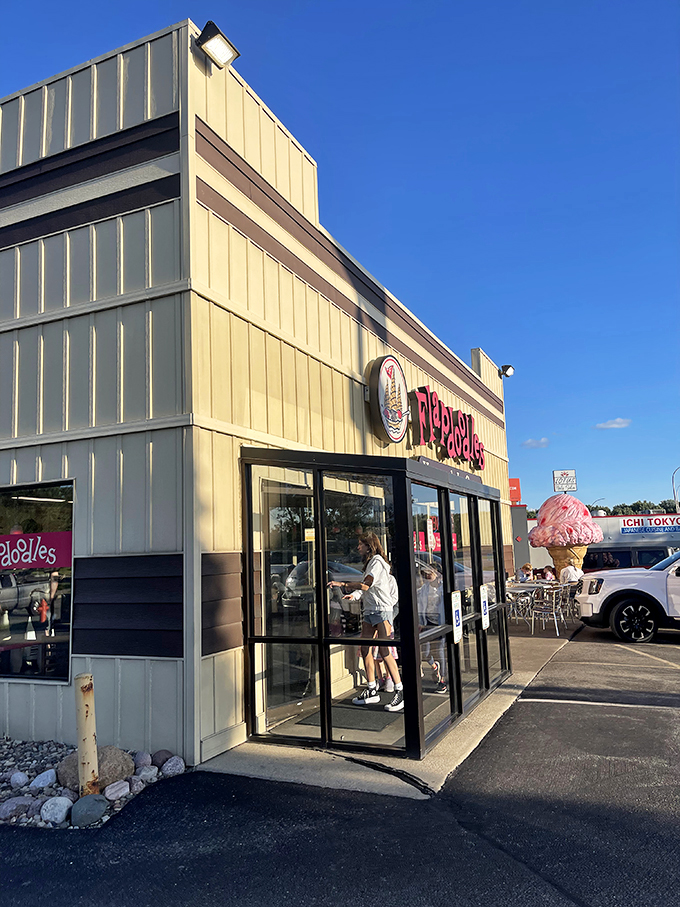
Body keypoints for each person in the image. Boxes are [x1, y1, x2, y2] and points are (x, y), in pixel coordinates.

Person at [329, 532, 404, 712]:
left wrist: (342, 584)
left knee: (385, 650)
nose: (358, 548)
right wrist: (353, 595)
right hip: (370, 611)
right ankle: (371, 690)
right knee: (364, 649)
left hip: (382, 611)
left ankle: (400, 692)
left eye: (360, 544)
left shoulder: (377, 562)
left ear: (369, 546)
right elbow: (365, 589)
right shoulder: (371, 564)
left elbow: (366, 585)